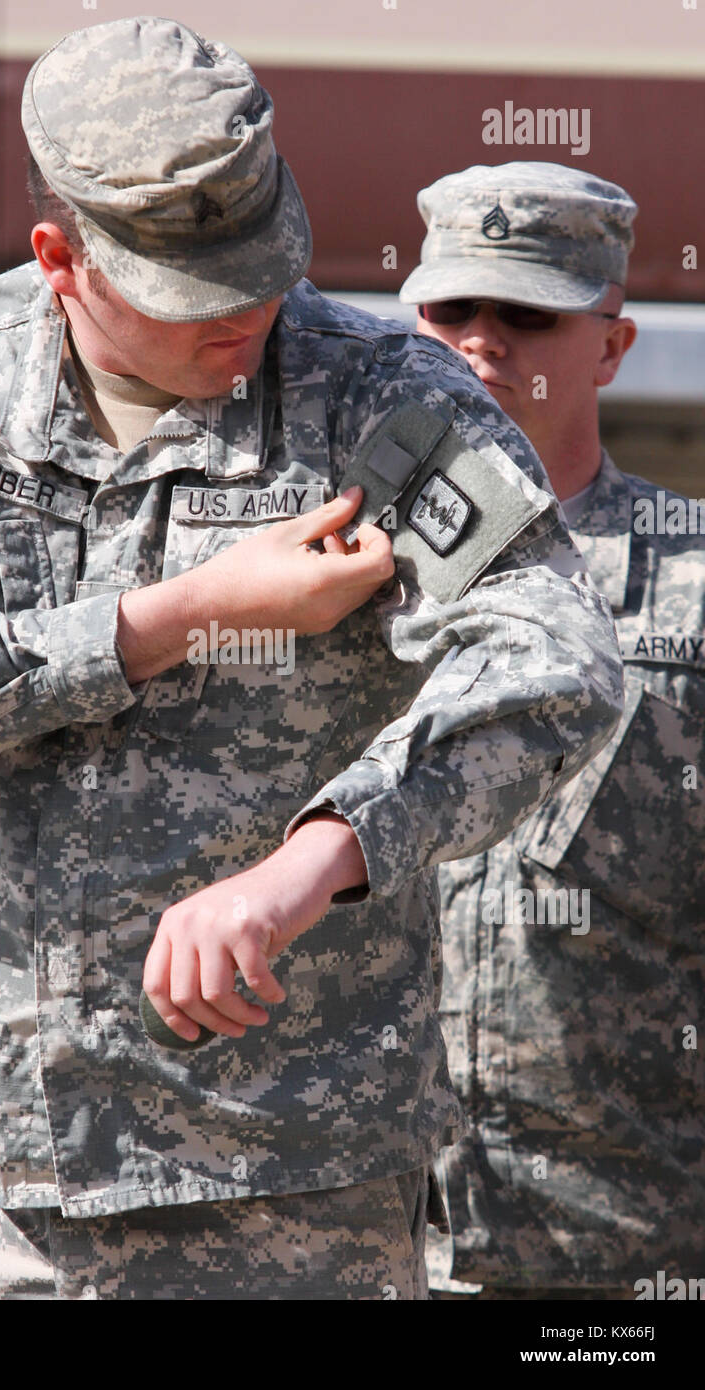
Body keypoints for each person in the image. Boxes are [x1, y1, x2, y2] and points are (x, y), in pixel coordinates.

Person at [0, 26, 622, 1301]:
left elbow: (557, 657)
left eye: (260, 265)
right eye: (187, 290)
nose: (242, 314)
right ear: (57, 257)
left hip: (293, 1183)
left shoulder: (382, 402)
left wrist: (314, 859)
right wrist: (165, 618)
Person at [401, 161, 705, 1299]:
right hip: (354, 1240)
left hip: (620, 1247)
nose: (481, 340)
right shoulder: (319, 575)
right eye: (449, 309)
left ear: (611, 349)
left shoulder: (689, 581)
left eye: (525, 313)